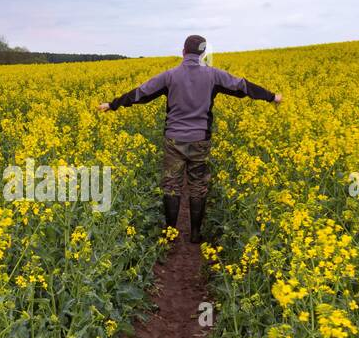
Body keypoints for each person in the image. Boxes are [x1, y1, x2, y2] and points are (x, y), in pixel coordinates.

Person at [98, 34, 282, 243]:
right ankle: (195, 234)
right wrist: (271, 96)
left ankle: (170, 235)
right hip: (200, 140)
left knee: (171, 185)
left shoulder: (169, 76)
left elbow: (141, 93)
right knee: (197, 185)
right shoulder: (214, 75)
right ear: (203, 53)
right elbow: (243, 86)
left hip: (174, 140)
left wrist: (112, 105)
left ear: (183, 52)